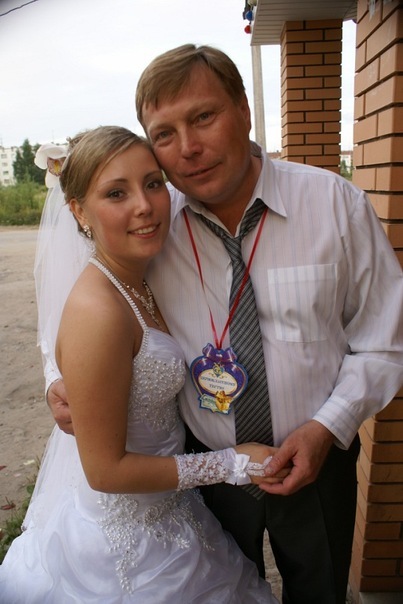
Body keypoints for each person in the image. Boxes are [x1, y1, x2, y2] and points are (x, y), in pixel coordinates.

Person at [45, 45, 403, 604]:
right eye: (165, 134)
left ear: (244, 110)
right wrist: (57, 377)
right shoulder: (152, 224)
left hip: (319, 463)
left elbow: (385, 342)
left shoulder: (335, 205)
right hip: (203, 475)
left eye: (204, 117)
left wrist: (325, 428)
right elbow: (82, 300)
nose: (188, 147)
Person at [0, 126, 282, 603]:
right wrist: (232, 463)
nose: (145, 206)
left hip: (169, 510)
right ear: (78, 211)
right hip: (123, 543)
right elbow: (105, 472)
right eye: (116, 193)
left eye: (153, 184)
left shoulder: (139, 277)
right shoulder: (99, 311)